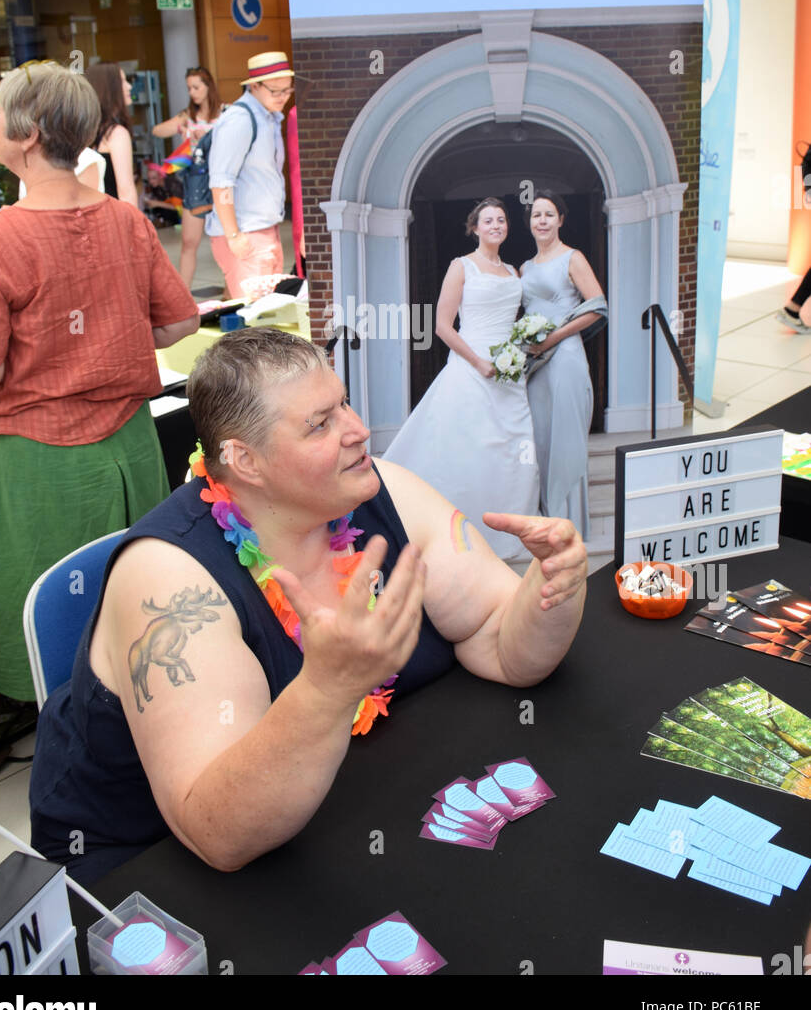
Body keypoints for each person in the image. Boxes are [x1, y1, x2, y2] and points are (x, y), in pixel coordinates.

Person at [30, 327, 587, 882]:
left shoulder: (378, 489)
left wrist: (551, 592)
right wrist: (327, 688)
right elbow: (218, 834)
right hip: (152, 870)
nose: (359, 430)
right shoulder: (169, 582)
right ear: (245, 462)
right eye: (320, 424)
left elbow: (500, 645)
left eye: (344, 403)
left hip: (335, 815)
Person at [0, 61, 199, 702]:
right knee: (141, 606)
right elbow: (177, 324)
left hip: (41, 460)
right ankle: (155, 727)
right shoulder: (128, 220)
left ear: (28, 135)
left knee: (59, 622)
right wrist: (107, 339)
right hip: (133, 444)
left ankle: (75, 747)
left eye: (0, 112)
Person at [383, 198, 540, 562]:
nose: (496, 225)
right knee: (469, 447)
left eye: (501, 220)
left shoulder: (514, 271)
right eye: (488, 220)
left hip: (509, 370)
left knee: (510, 446)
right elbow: (441, 326)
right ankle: (458, 528)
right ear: (475, 227)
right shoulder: (462, 267)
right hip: (472, 367)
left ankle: (508, 527)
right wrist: (479, 363)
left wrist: (519, 349)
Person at [520, 192, 608, 541]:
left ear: (560, 220)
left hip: (566, 357)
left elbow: (597, 306)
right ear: (530, 222)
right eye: (536, 214)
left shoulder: (573, 258)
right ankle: (546, 517)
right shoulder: (524, 268)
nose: (542, 220)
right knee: (540, 436)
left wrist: (554, 337)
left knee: (566, 438)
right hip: (536, 365)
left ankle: (570, 522)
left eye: (549, 214)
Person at [205, 51, 291, 299]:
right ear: (254, 86)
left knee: (268, 313)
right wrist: (234, 235)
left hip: (265, 228)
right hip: (245, 233)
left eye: (287, 90)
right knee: (254, 321)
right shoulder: (240, 120)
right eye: (276, 91)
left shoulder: (270, 117)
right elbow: (221, 183)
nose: (283, 97)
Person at [152, 66, 225, 290]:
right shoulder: (188, 115)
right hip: (195, 181)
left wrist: (212, 137)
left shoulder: (226, 113)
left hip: (221, 179)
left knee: (222, 241)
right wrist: (179, 127)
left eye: (196, 87)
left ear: (208, 86)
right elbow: (157, 130)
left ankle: (230, 293)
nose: (193, 92)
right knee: (188, 242)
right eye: (189, 88)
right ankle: (183, 294)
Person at [85, 62, 139, 205]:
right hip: (113, 217)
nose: (129, 87)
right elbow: (126, 192)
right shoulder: (116, 134)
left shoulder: (85, 133)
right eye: (122, 81)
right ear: (109, 88)